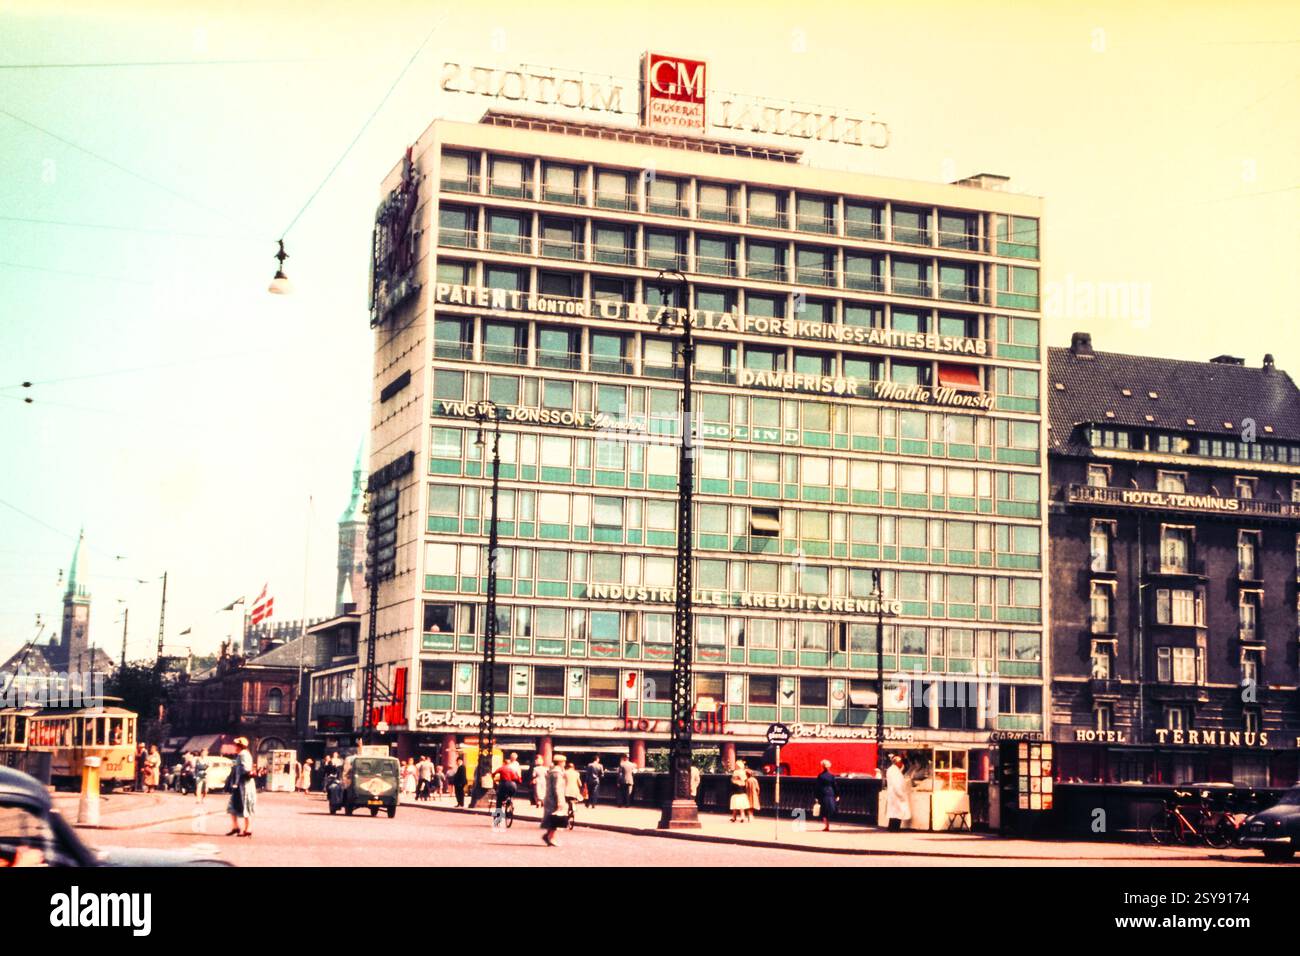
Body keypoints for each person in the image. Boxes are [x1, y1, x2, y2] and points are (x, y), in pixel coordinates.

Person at [226, 737, 257, 838]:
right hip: (240, 784)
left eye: (236, 745)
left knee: (245, 805)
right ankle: (236, 827)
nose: (234, 747)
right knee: (232, 806)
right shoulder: (244, 754)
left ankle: (248, 828)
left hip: (244, 785)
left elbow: (245, 769)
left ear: (239, 746)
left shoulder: (243, 754)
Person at [540, 755, 569, 847]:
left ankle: (548, 836)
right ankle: (551, 837)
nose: (565, 764)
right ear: (560, 762)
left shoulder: (552, 771)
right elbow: (558, 788)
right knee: (556, 819)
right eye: (564, 762)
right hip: (554, 799)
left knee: (552, 818)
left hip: (549, 798)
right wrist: (560, 801)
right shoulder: (557, 773)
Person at [885, 753, 913, 832]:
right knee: (897, 813)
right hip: (897, 795)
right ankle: (894, 828)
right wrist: (901, 795)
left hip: (894, 795)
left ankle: (892, 827)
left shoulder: (893, 770)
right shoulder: (894, 771)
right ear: (897, 762)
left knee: (894, 813)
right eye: (900, 762)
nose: (902, 764)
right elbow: (896, 784)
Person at [814, 759, 838, 832]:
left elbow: (817, 787)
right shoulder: (832, 776)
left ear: (822, 766)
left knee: (824, 810)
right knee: (830, 809)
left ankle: (826, 826)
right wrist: (837, 794)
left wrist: (816, 796)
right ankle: (828, 825)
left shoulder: (820, 776)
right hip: (831, 793)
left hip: (823, 793)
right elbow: (835, 786)